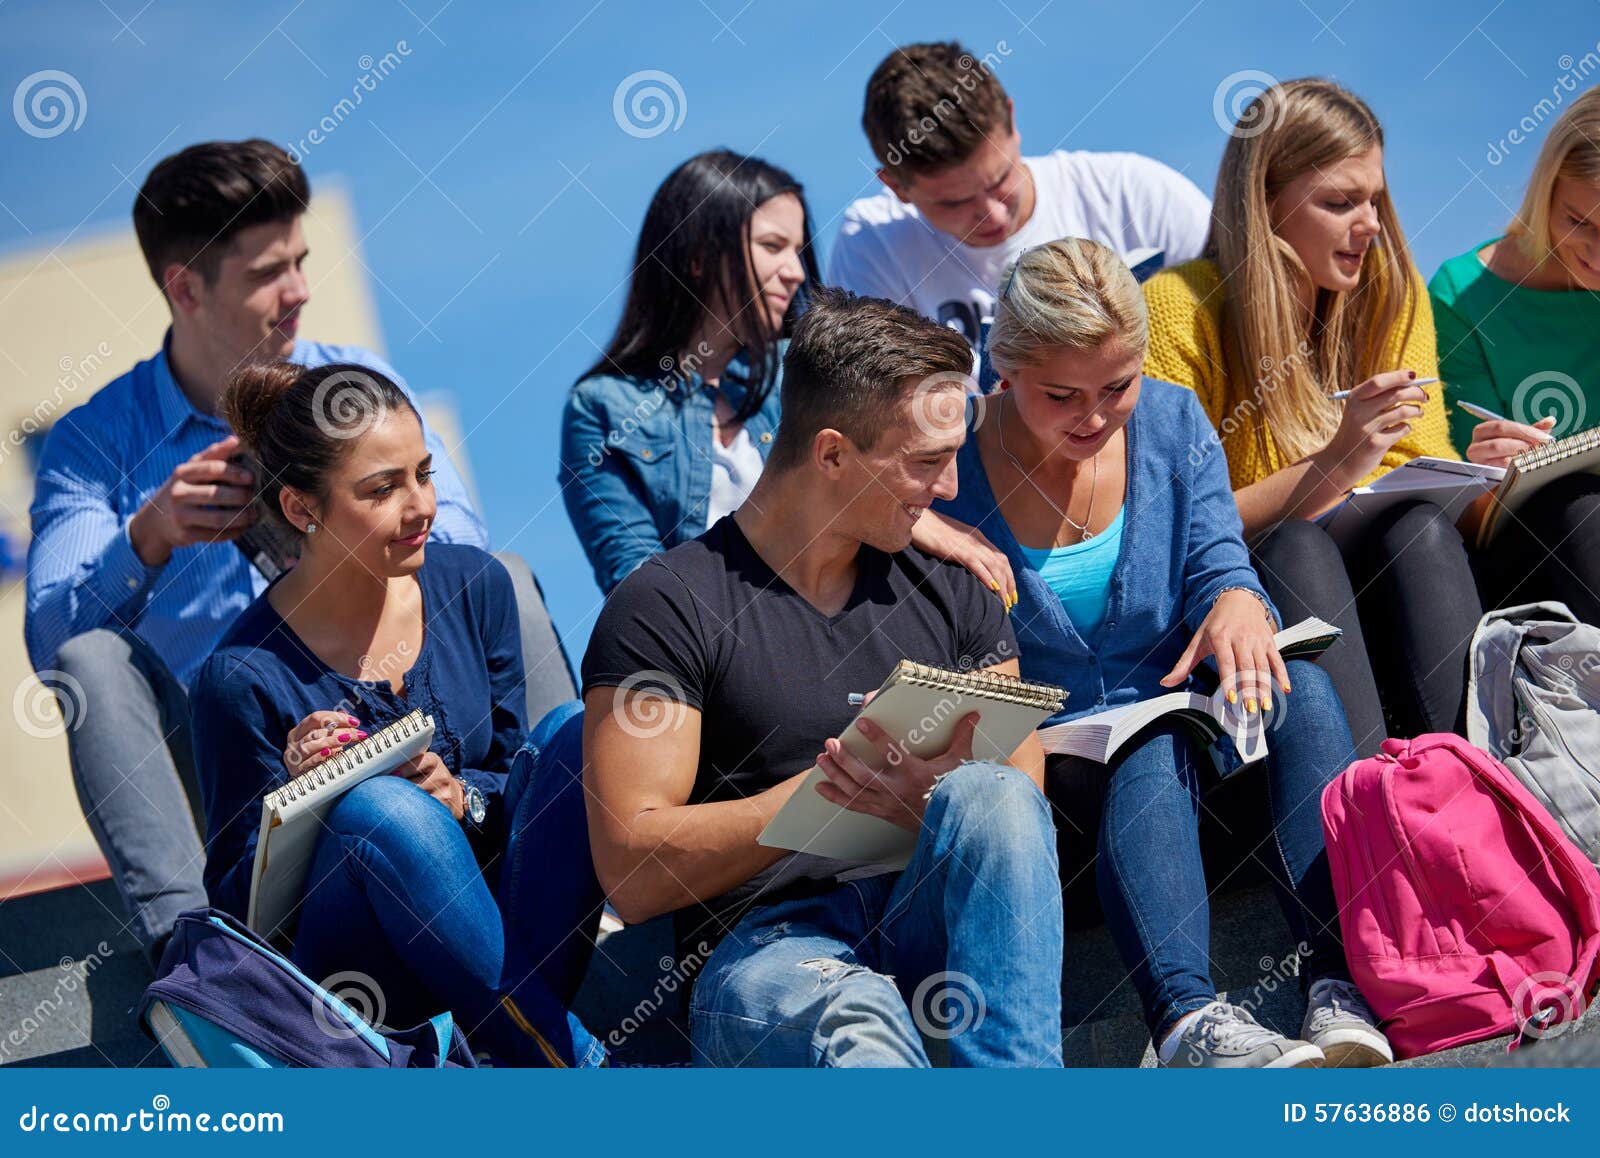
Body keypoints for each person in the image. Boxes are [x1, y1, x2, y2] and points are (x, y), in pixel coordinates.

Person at [24, 139, 487, 967]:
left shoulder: (355, 382)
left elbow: (459, 554)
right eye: (268, 272)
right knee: (94, 659)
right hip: (219, 775)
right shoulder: (94, 443)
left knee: (510, 583)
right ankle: (197, 955)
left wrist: (314, 533)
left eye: (302, 261)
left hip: (386, 722)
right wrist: (152, 535)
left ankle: (556, 834)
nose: (300, 292)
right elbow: (52, 644)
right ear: (184, 287)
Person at [935, 238, 1390, 1068]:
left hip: (1187, 757)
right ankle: (1186, 1021)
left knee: (1303, 690)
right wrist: (921, 519)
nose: (1096, 416)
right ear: (1002, 367)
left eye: (1118, 385)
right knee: (1144, 740)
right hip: (1051, 781)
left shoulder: (1173, 420)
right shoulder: (948, 456)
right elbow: (827, 481)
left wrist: (1237, 601)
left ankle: (1337, 984)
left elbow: (1218, 554)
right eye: (1061, 395)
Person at [580, 287, 1064, 1068]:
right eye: (926, 463)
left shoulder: (955, 582)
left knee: (994, 791)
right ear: (833, 453)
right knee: (856, 1015)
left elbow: (1021, 793)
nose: (949, 490)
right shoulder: (663, 606)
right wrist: (826, 797)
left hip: (930, 918)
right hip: (769, 948)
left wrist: (923, 800)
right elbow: (631, 865)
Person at [190, 361, 602, 1066]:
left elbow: (512, 778)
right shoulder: (241, 678)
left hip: (505, 930)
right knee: (384, 809)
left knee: (572, 732)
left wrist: (462, 797)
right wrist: (297, 801)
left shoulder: (476, 584)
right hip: (367, 981)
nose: (421, 507)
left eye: (424, 473)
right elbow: (241, 915)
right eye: (383, 489)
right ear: (301, 509)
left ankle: (505, 1052)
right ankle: (584, 1071)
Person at [1141, 78, 1566, 742]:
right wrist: (1333, 464)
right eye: (1340, 202)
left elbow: (1416, 466)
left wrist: (1490, 476)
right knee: (1298, 544)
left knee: (1419, 527)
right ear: (1264, 204)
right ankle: (1360, 809)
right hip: (1248, 600)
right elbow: (1174, 526)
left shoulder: (1390, 296)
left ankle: (1475, 782)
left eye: (1375, 199)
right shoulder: (1179, 312)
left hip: (1388, 573)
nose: (1369, 224)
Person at [561, 148, 1020, 603]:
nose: (796, 272)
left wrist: (925, 522)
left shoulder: (811, 368)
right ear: (698, 255)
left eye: (798, 250)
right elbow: (636, 583)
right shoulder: (603, 409)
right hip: (707, 650)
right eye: (772, 246)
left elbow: (905, 450)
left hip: (847, 620)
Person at [828, 40, 1210, 383]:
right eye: (954, 203)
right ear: (896, 187)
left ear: (1012, 120)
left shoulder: (1136, 196)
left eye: (999, 181)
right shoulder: (874, 241)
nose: (991, 215)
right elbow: (879, 411)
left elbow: (1252, 301)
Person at [1430, 85, 1600, 622]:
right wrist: (1488, 472)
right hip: (1537, 554)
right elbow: (1471, 513)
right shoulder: (1461, 295)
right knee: (1580, 509)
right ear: (1545, 190)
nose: (1597, 255)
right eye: (1579, 222)